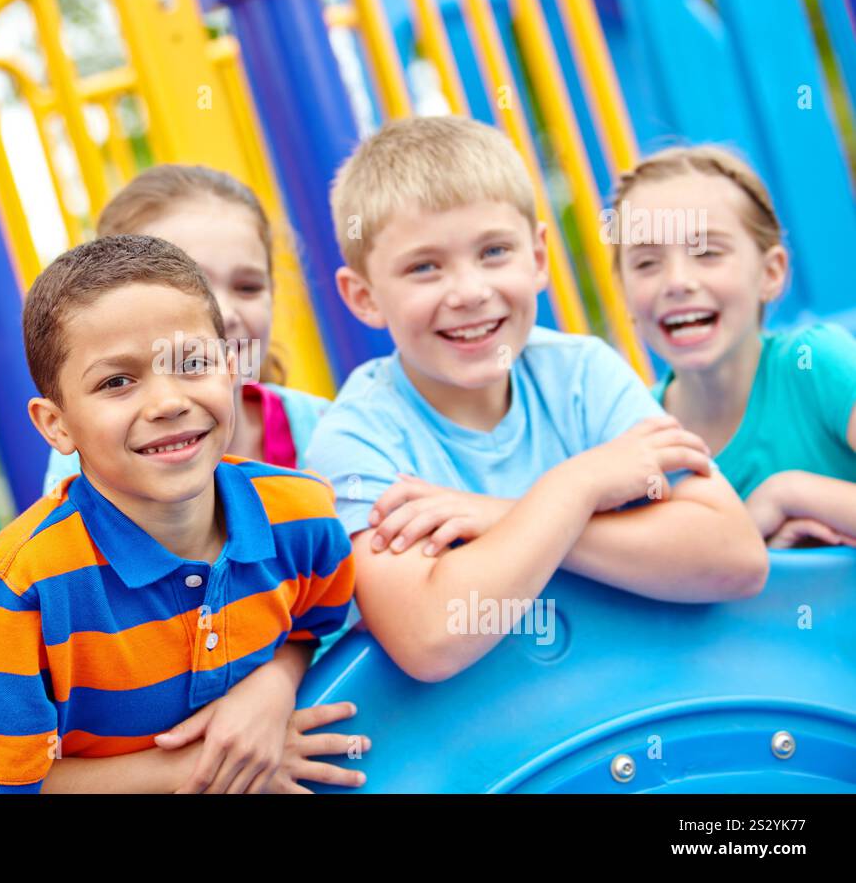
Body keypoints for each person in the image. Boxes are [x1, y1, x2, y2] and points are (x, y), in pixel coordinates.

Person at [304, 116, 768, 682]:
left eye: (494, 251)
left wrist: (496, 517)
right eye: (424, 267)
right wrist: (578, 487)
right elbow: (431, 637)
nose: (470, 292)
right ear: (364, 296)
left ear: (539, 257)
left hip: (628, 698)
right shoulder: (355, 439)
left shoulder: (582, 374)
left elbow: (733, 556)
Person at [0, 235, 363, 792]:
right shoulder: (17, 587)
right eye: (116, 382)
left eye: (192, 363)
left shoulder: (303, 515)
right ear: (56, 425)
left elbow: (314, 624)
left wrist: (271, 688)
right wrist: (200, 766)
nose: (167, 402)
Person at [612, 144, 856, 548]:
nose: (677, 281)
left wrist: (789, 495)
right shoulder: (636, 437)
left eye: (708, 253)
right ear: (624, 293)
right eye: (647, 263)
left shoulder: (814, 365)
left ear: (771, 273)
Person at [43, 165, 328, 494]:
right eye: (194, 287)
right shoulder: (85, 459)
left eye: (248, 287)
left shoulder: (330, 429)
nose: (226, 313)